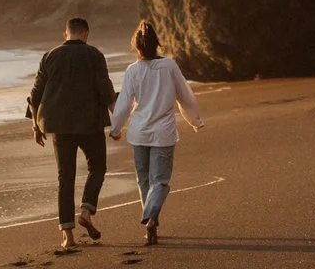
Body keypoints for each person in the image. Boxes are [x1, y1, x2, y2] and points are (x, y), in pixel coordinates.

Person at [109, 18, 201, 245]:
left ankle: (151, 221)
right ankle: (150, 218)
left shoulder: (133, 70)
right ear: (156, 44)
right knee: (159, 181)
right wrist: (195, 120)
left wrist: (115, 128)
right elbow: (185, 96)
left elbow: (124, 104)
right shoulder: (169, 66)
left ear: (136, 47)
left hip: (139, 133)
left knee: (144, 181)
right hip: (163, 132)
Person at [27, 16, 116, 251]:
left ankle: (68, 236)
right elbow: (105, 88)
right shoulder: (94, 54)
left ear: (65, 33)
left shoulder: (50, 56)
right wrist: (116, 118)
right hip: (90, 123)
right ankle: (86, 211)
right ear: (85, 33)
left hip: (59, 125)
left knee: (65, 177)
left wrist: (35, 126)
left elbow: (35, 94)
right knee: (97, 167)